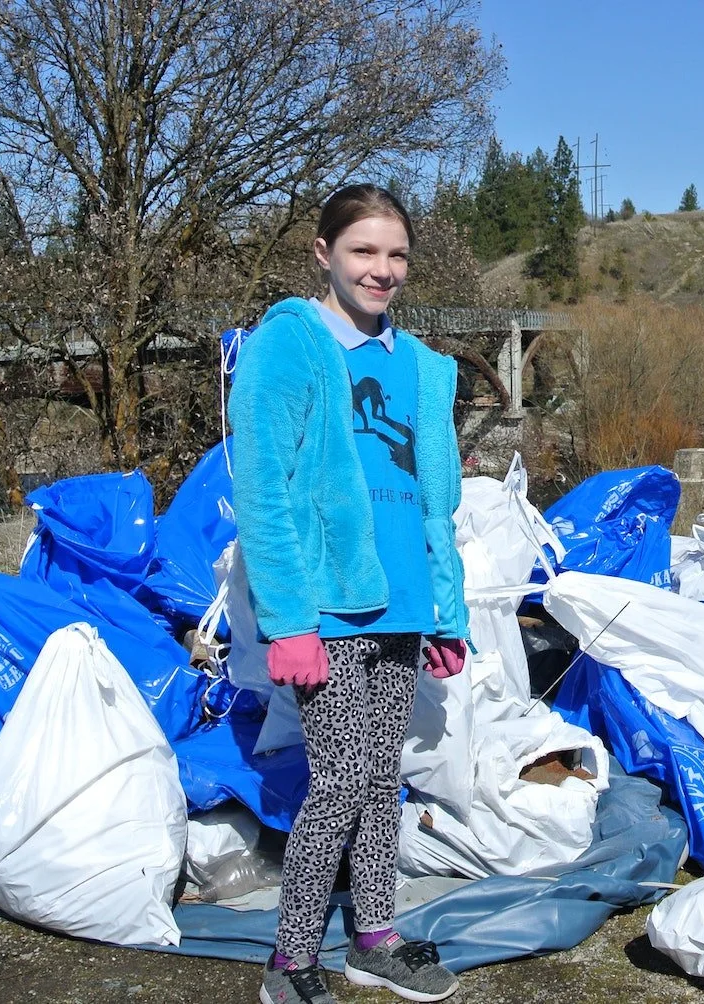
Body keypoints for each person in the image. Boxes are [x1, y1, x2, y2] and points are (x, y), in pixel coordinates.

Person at [229, 183, 470, 1004]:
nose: (382, 269)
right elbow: (263, 491)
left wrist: (445, 613)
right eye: (364, 250)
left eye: (397, 254)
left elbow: (436, 502)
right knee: (338, 781)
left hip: (402, 607)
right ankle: (291, 959)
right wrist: (289, 621)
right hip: (329, 609)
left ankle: (375, 938)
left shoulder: (421, 367)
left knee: (380, 777)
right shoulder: (289, 346)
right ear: (323, 253)